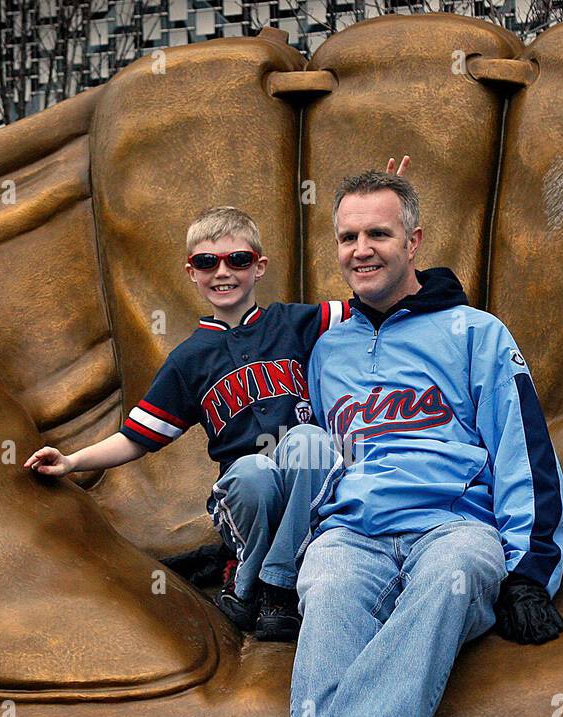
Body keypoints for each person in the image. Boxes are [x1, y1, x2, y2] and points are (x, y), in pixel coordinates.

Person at [266, 169, 563, 717]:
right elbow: (300, 456)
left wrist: (529, 570)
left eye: (378, 232)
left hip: (453, 524)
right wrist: (258, 562)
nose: (361, 249)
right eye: (347, 236)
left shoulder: (477, 333)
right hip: (353, 530)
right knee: (329, 583)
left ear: (415, 240)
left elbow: (524, 452)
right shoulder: (326, 349)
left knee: (457, 573)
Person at [24, 205, 347, 640]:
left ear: (259, 266)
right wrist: (70, 461)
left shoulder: (294, 322)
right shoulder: (188, 360)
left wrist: (395, 229)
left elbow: (375, 302)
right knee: (254, 472)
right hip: (245, 498)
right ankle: (251, 582)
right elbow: (137, 436)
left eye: (238, 259)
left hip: (306, 495)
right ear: (191, 272)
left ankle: (273, 586)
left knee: (309, 440)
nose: (222, 272)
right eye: (206, 262)